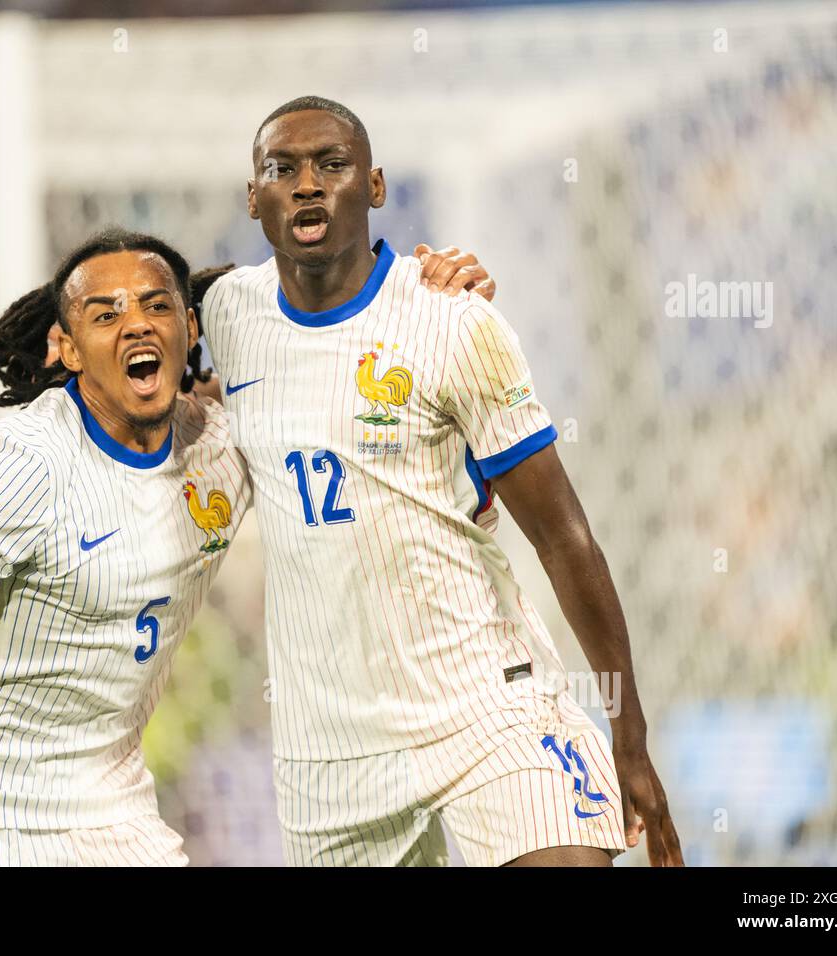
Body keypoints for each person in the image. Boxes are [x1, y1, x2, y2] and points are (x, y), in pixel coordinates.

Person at [0, 227, 486, 866]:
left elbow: (362, 413)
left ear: (192, 329)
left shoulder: (223, 447)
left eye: (156, 305)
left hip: (117, 811)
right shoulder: (23, 463)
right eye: (106, 314)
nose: (136, 325)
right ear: (64, 348)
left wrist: (437, 313)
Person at [198, 96, 684, 866]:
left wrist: (630, 735)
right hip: (330, 750)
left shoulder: (454, 320)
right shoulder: (223, 314)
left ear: (377, 186)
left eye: (332, 164)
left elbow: (564, 538)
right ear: (253, 200)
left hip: (486, 704)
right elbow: (130, 315)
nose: (307, 184)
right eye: (281, 170)